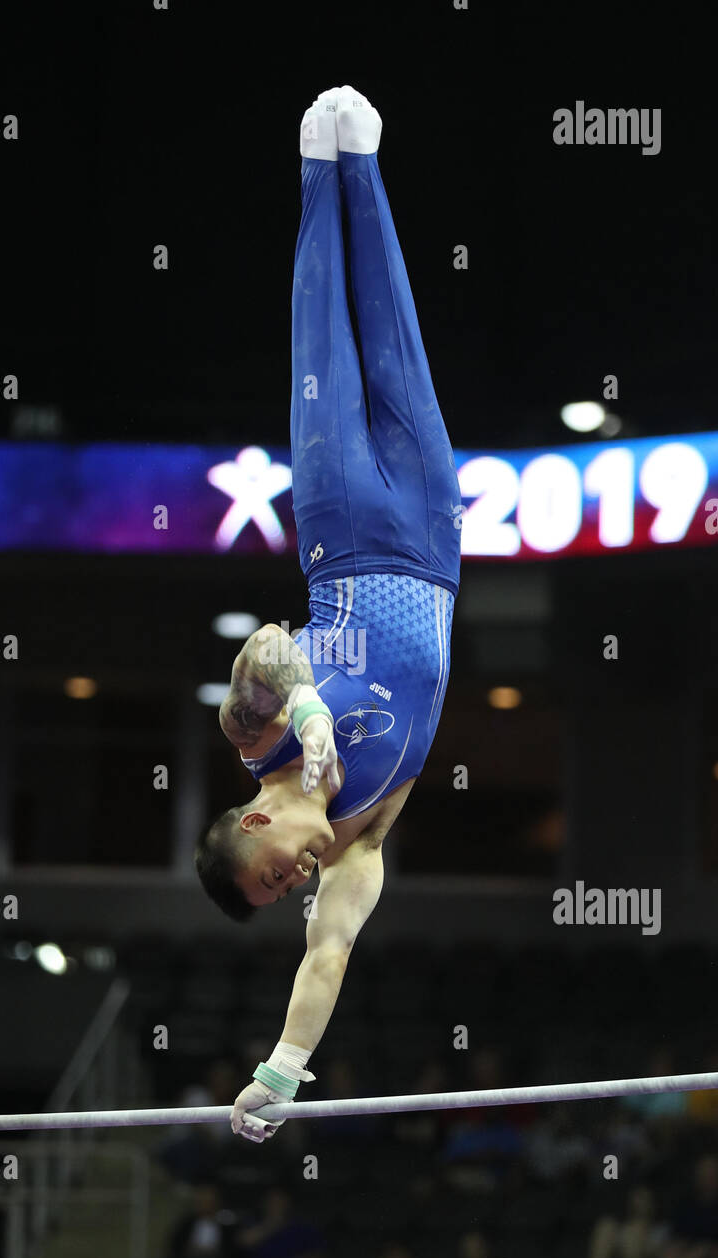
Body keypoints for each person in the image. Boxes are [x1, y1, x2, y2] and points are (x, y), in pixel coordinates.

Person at [194, 85, 462, 1143]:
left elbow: (265, 647)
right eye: (285, 892)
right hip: (434, 542)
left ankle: (318, 171)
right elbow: (329, 954)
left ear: (256, 823)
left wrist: (303, 708)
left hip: (344, 533)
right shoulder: (359, 845)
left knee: (327, 347)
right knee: (396, 344)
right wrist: (281, 1071)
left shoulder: (251, 742)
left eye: (275, 875)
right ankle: (366, 167)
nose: (297, 880)